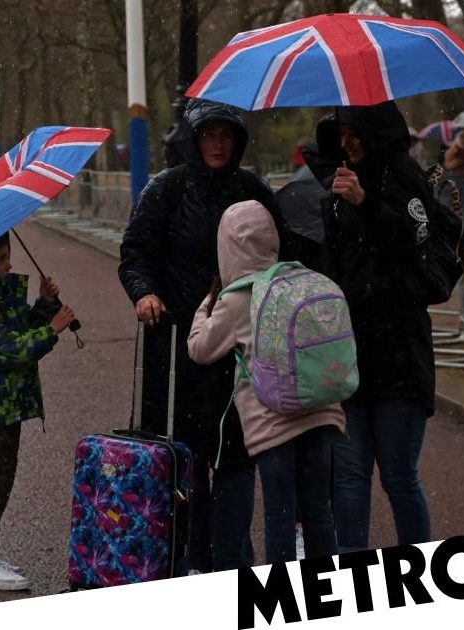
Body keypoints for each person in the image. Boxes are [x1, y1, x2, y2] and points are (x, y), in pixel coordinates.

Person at [119, 98, 305, 573]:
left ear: (237, 140)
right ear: (193, 139)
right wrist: (144, 294)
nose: (217, 144)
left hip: (240, 344)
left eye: (226, 135)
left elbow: (280, 249)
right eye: (208, 135)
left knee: (235, 456)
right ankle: (182, 555)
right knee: (183, 456)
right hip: (179, 345)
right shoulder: (168, 189)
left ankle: (231, 560)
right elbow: (136, 252)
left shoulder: (252, 189)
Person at [303, 101, 436, 553]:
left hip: (400, 352)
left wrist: (366, 202)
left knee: (399, 476)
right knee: (351, 478)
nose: (347, 143)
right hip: (349, 354)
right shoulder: (336, 183)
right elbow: (334, 262)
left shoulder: (404, 175)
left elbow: (412, 240)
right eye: (341, 134)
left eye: (355, 133)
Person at [187, 200, 345, 564]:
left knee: (280, 513)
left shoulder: (238, 298)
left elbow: (200, 348)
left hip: (272, 422)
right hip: (322, 411)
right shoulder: (300, 279)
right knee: (319, 509)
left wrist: (205, 305)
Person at [0, 234, 76, 590]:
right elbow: (12, 349)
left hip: (6, 407)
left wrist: (44, 304)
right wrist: (52, 329)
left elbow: (21, 328)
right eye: (2, 259)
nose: (8, 265)